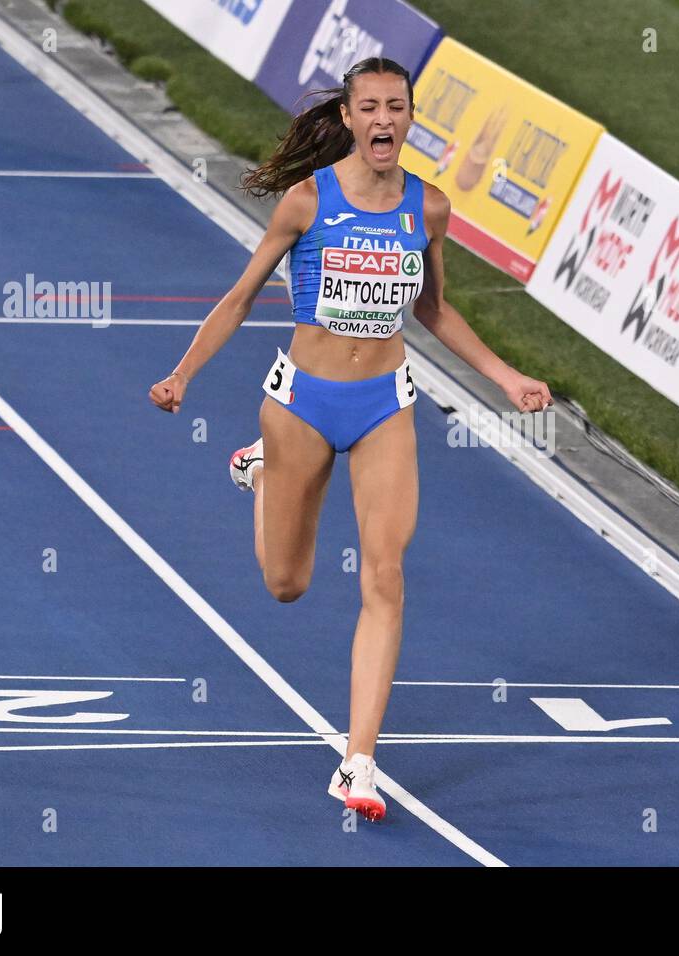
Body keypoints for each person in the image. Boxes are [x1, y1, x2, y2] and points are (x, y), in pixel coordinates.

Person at [148, 57, 552, 822]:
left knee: (386, 576)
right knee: (286, 585)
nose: (384, 121)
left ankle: (357, 763)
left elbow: (433, 311)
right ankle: (264, 472)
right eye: (370, 108)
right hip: (300, 405)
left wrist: (504, 376)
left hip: (383, 405)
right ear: (349, 118)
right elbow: (239, 299)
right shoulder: (306, 202)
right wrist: (181, 376)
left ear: (408, 118)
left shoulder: (427, 209)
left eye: (396, 107)